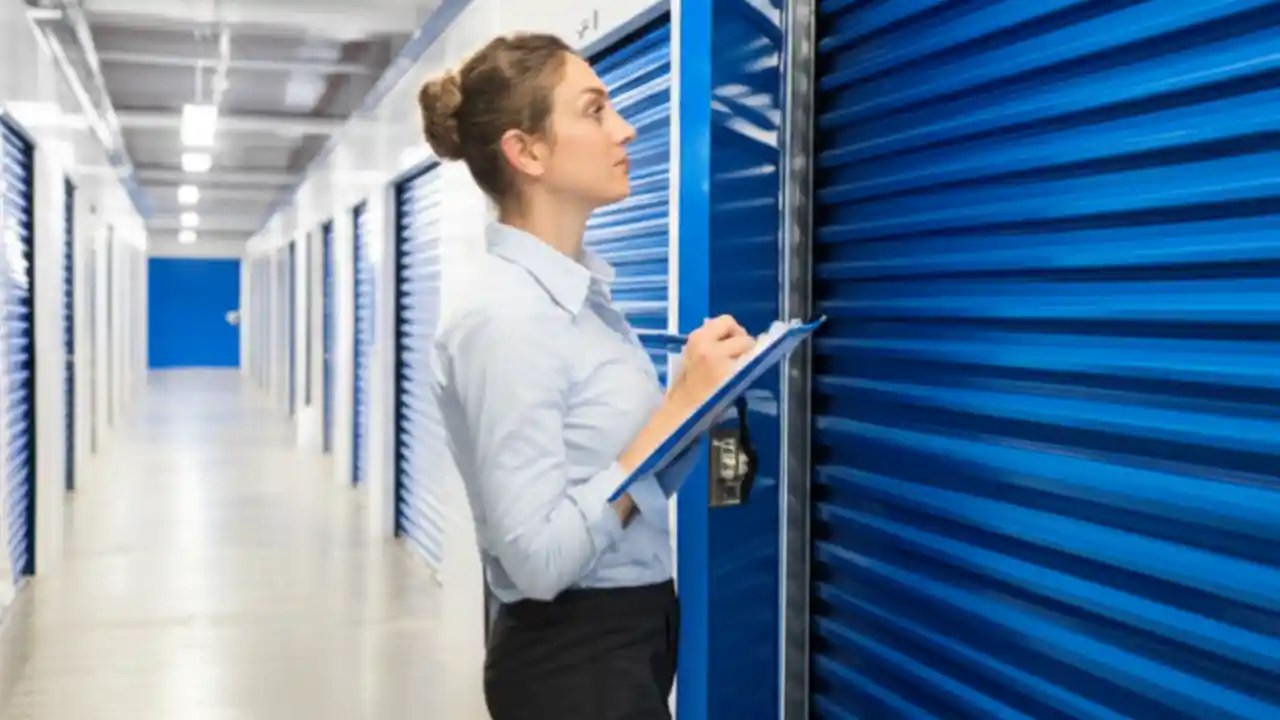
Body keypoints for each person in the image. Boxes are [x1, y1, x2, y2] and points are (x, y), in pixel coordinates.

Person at [417, 32, 754, 720]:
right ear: (527, 151)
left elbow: (628, 483)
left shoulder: (583, 299)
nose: (625, 128)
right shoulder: (504, 318)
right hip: (572, 661)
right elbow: (539, 562)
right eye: (595, 111)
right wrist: (671, 411)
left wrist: (698, 409)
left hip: (629, 638)